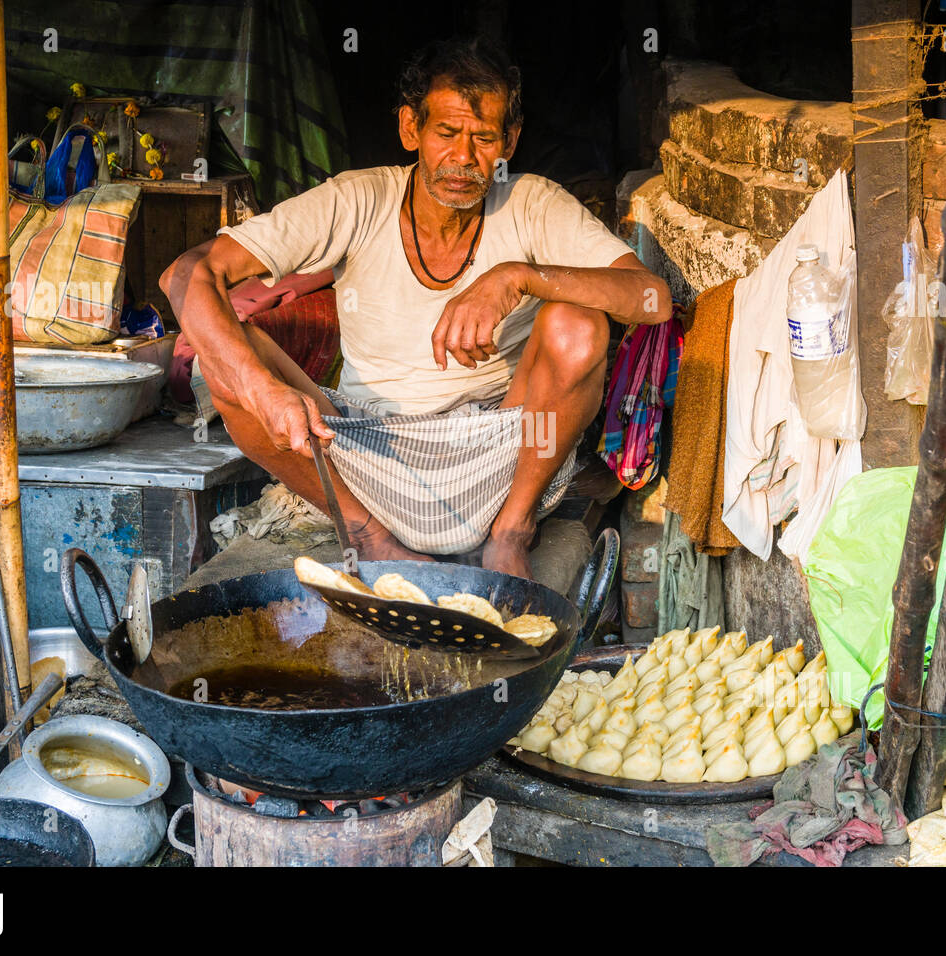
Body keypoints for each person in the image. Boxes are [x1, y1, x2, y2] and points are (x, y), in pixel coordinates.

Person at [161, 37, 669, 579]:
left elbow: (651, 299)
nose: (463, 159)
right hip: (363, 458)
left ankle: (512, 533)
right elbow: (187, 274)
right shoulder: (355, 200)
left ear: (510, 141)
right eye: (446, 134)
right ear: (411, 129)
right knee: (228, 362)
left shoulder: (532, 204)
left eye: (484, 138)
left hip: (497, 460)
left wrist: (518, 277)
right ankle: (366, 535)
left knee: (576, 322)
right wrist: (263, 389)